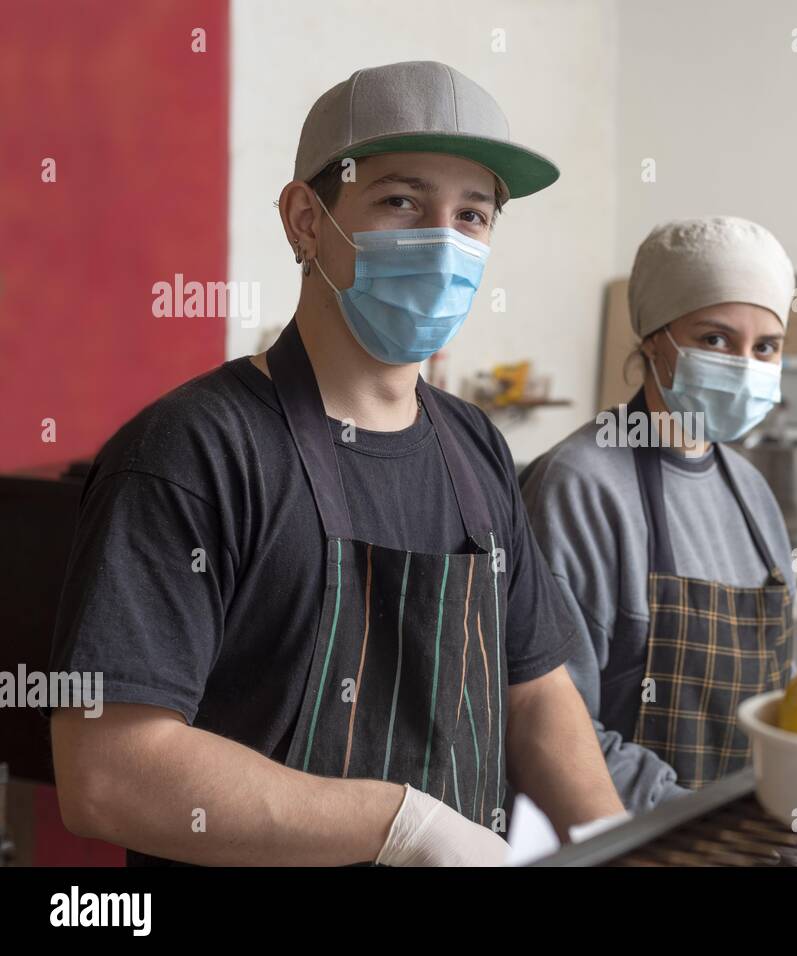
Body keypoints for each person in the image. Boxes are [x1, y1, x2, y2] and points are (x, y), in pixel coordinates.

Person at [47, 60, 623, 866]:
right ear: (305, 221)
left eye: (473, 215)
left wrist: (611, 841)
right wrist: (401, 826)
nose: (443, 241)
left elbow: (534, 690)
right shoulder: (193, 449)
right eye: (400, 201)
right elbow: (108, 769)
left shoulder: (475, 444)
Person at [520, 216, 797, 811]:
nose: (745, 365)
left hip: (752, 826)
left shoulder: (752, 492)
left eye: (765, 347)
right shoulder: (581, 485)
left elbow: (781, 703)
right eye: (716, 340)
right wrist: (693, 825)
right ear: (653, 338)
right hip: (641, 838)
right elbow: (550, 727)